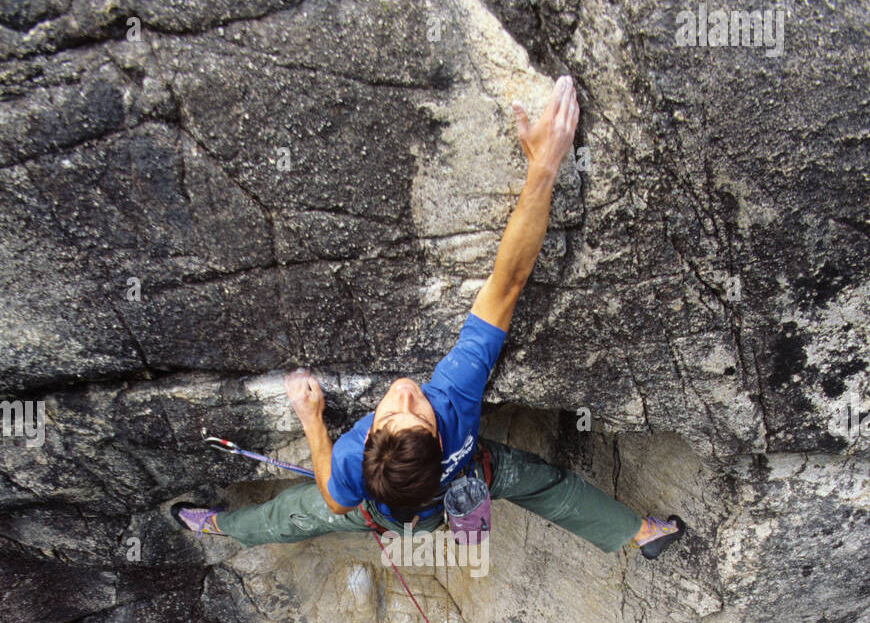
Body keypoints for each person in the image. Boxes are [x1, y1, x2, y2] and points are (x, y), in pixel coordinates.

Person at [173, 75, 685, 561]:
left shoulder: (352, 461)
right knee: (548, 484)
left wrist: (312, 422)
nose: (403, 392)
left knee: (291, 514)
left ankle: (218, 526)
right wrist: (544, 168)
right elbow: (506, 285)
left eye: (392, 414)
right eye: (415, 412)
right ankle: (644, 533)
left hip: (390, 514)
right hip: (471, 479)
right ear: (440, 435)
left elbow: (333, 501)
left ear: (369, 439)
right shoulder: (454, 397)